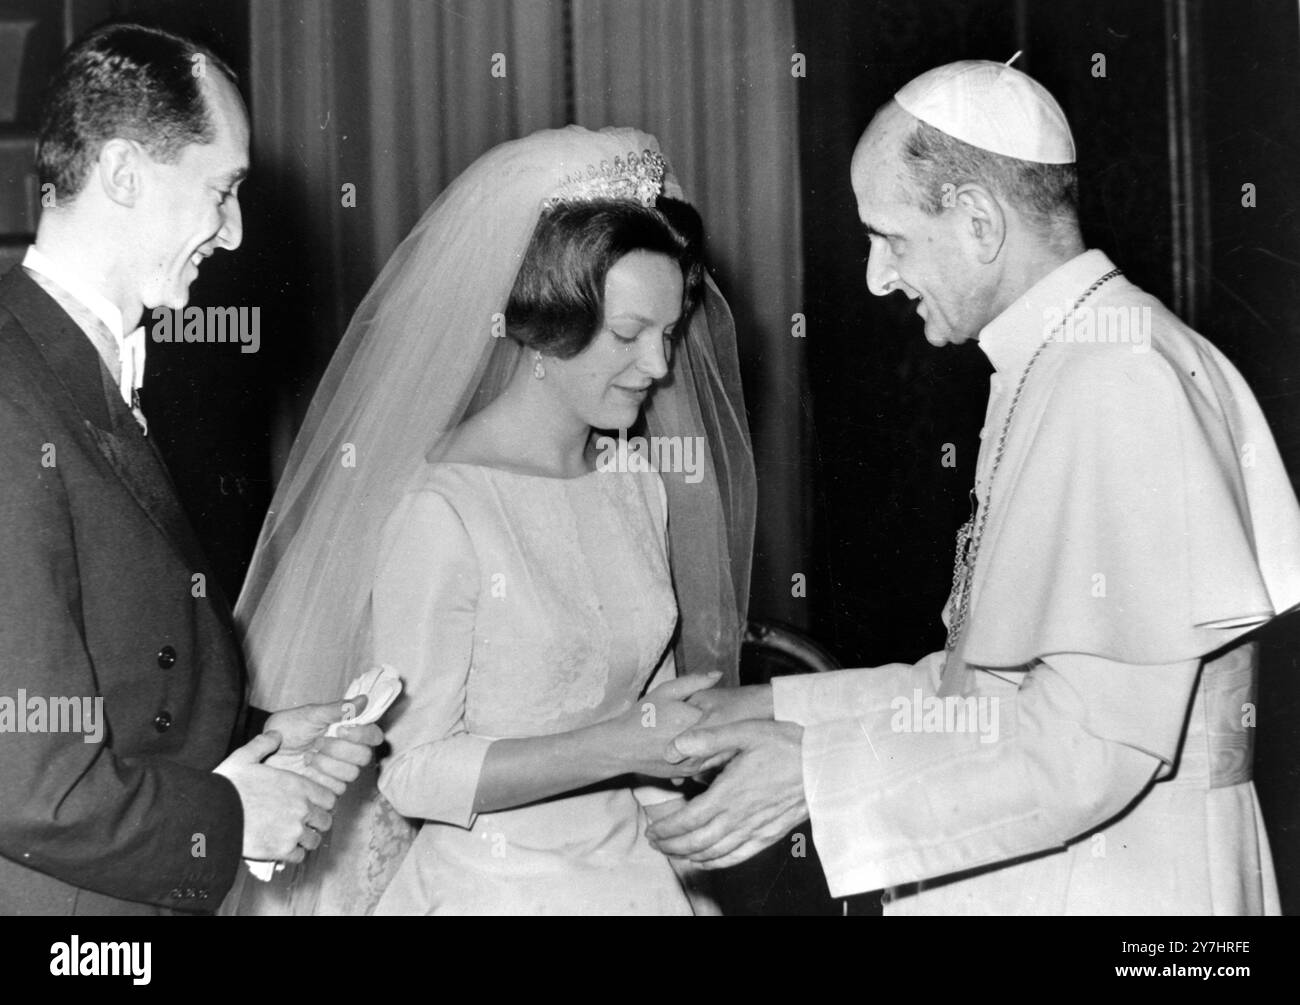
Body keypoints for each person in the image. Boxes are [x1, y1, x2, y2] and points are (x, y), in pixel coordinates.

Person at [650, 59, 1300, 915]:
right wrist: (778, 706)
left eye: (892, 237)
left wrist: (816, 773)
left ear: (979, 221)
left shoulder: (1118, 375)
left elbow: (1086, 748)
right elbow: (984, 689)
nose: (878, 275)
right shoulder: (1066, 355)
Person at [224, 126, 756, 915]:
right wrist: (618, 746)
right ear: (549, 322)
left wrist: (684, 822)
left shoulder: (636, 481)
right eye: (629, 335)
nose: (660, 367)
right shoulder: (445, 508)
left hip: (634, 877)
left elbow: (654, 713)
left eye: (670, 334)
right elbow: (411, 771)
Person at [0, 23, 381, 916]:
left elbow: (115, 669)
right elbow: (28, 780)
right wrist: (231, 816)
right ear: (126, 174)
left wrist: (254, 735)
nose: (235, 232)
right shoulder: (11, 396)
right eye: (223, 190)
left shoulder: (87, 367)